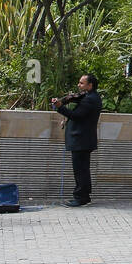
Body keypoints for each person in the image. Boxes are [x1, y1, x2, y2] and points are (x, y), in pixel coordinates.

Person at [52, 73, 103, 207]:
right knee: (82, 169)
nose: (78, 85)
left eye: (81, 83)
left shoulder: (90, 99)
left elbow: (77, 116)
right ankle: (84, 196)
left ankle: (81, 198)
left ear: (90, 85)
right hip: (83, 140)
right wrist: (65, 101)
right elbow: (78, 106)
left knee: (80, 170)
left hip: (81, 140)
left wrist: (60, 107)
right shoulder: (89, 97)